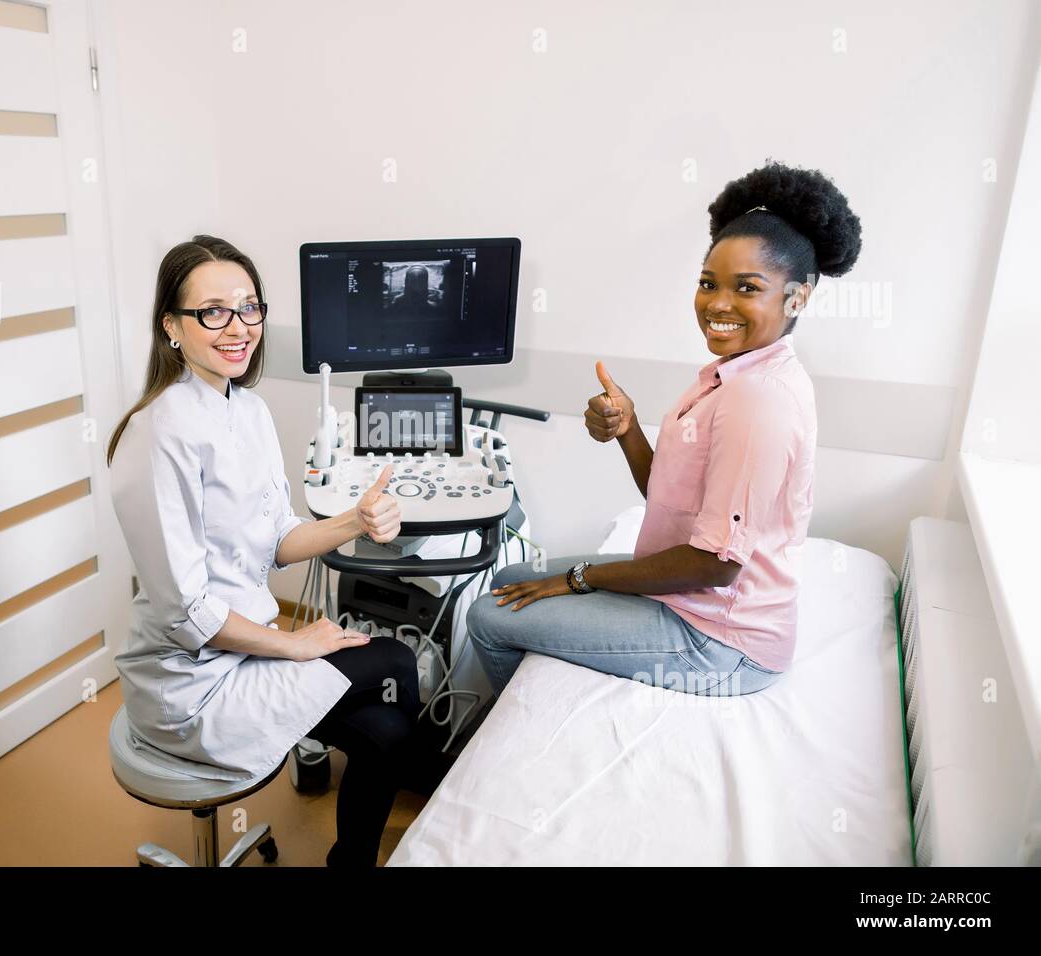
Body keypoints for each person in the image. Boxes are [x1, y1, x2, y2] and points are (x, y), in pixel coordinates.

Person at [107, 235, 448, 867]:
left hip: (248, 646)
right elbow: (188, 613)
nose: (237, 327)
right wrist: (298, 643)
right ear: (171, 326)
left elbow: (278, 543)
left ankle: (351, 861)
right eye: (213, 311)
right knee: (397, 662)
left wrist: (356, 519)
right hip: (193, 680)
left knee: (390, 728)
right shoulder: (156, 433)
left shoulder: (251, 410)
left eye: (249, 308)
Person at [467, 161, 863, 698]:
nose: (717, 304)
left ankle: (518, 730)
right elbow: (671, 500)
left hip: (721, 641)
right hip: (692, 599)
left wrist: (578, 578)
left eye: (747, 288)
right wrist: (628, 428)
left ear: (797, 297)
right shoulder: (731, 376)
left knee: (491, 617)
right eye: (708, 283)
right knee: (509, 582)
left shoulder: (760, 397)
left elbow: (716, 566)